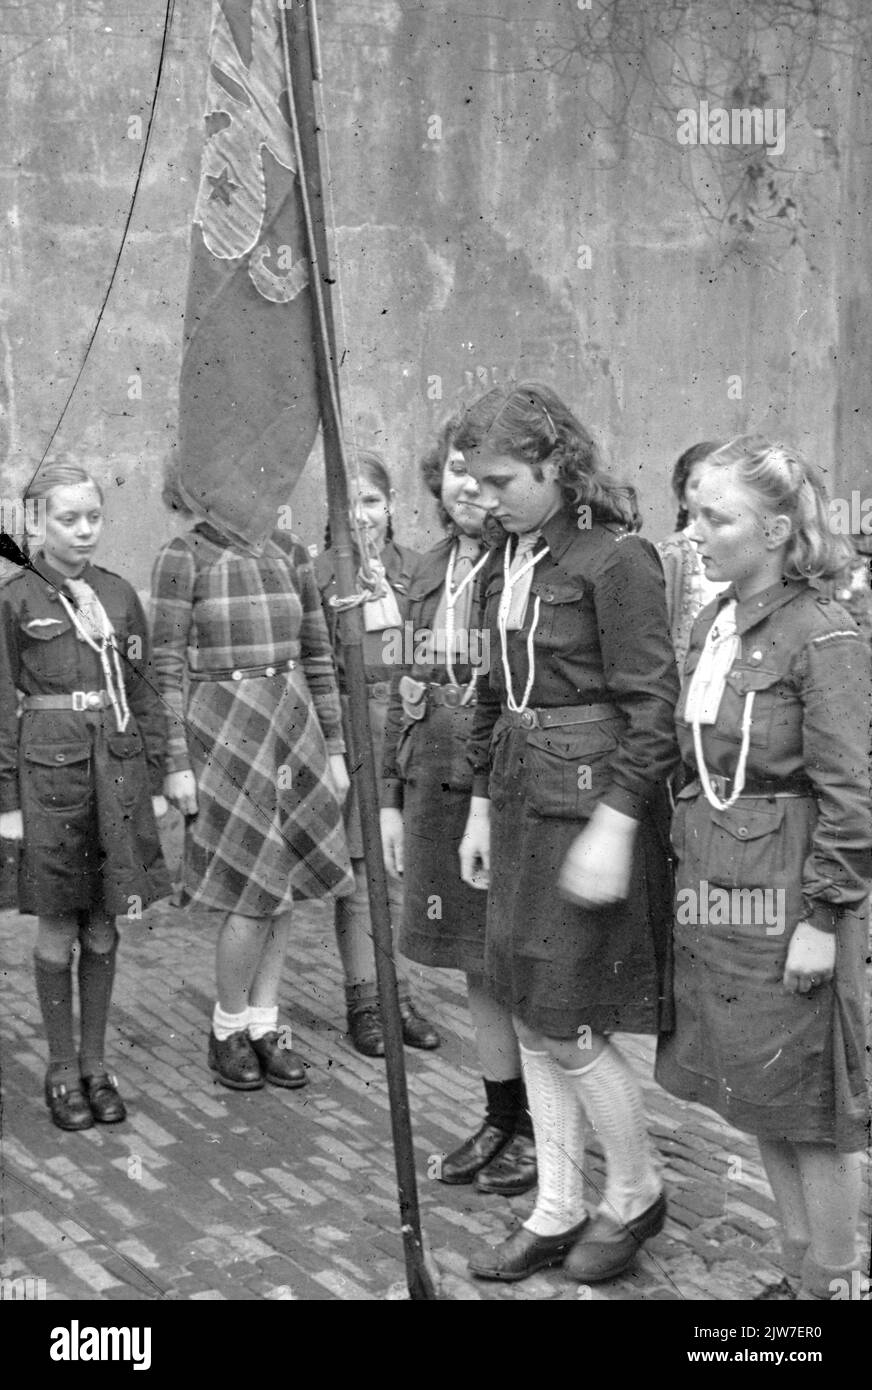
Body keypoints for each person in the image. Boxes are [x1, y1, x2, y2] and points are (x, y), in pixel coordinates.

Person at [457, 383, 680, 1282]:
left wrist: (615, 827)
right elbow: (492, 694)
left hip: (587, 814)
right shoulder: (508, 558)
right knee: (527, 1005)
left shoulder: (617, 559)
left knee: (568, 1018)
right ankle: (557, 1206)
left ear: (557, 465)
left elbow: (653, 709)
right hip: (517, 806)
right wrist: (477, 805)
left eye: (504, 478)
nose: (485, 495)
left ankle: (634, 1188)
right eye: (476, 480)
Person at [655, 436, 872, 1301]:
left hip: (790, 892)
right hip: (719, 883)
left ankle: (839, 1287)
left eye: (717, 517)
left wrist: (823, 920)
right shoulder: (718, 621)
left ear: (778, 529)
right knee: (760, 1094)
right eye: (693, 514)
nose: (695, 533)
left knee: (812, 1109)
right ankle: (800, 1283)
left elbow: (855, 794)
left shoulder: (823, 632)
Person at [150, 473, 353, 1091]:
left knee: (284, 885)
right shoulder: (182, 558)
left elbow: (318, 655)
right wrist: (177, 762)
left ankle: (265, 1027)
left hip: (293, 728)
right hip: (226, 732)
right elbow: (163, 667)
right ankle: (227, 1029)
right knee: (252, 890)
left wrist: (336, 749)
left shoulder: (291, 553)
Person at [379, 417, 537, 1195]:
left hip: (502, 787)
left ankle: (543, 1128)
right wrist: (386, 796)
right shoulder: (428, 569)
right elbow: (402, 690)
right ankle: (500, 1113)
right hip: (435, 782)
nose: (466, 486)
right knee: (472, 961)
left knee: (519, 958)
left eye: (481, 473)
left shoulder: (524, 565)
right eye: (451, 472)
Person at [0, 463, 170, 1130]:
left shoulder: (119, 595)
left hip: (117, 772)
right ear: (36, 523)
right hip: (50, 775)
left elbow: (148, 693)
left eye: (92, 517)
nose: (83, 530)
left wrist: (152, 780)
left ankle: (98, 1065)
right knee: (58, 921)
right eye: (67, 519)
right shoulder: (17, 601)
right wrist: (7, 799)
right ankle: (61, 1067)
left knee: (104, 920)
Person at [316, 451, 440, 1056]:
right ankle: (366, 1000)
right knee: (363, 873)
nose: (360, 516)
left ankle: (402, 995)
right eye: (346, 506)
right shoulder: (315, 577)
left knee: (404, 868)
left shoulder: (418, 572)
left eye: (370, 501)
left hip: (409, 728)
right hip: (350, 729)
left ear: (390, 506)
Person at [657, 441, 728, 672]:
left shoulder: (741, 550)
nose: (709, 494)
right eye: (697, 485)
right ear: (682, 498)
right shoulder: (671, 553)